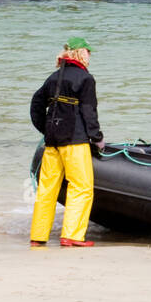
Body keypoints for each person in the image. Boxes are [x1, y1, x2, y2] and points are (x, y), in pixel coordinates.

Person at [29, 38, 104, 247]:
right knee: (81, 187)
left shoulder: (53, 78)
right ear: (80, 54)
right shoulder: (85, 79)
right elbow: (89, 112)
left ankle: (38, 235)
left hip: (52, 142)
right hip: (75, 141)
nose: (90, 56)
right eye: (88, 52)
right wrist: (97, 138)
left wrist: (45, 129)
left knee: (47, 189)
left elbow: (36, 105)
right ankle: (72, 235)